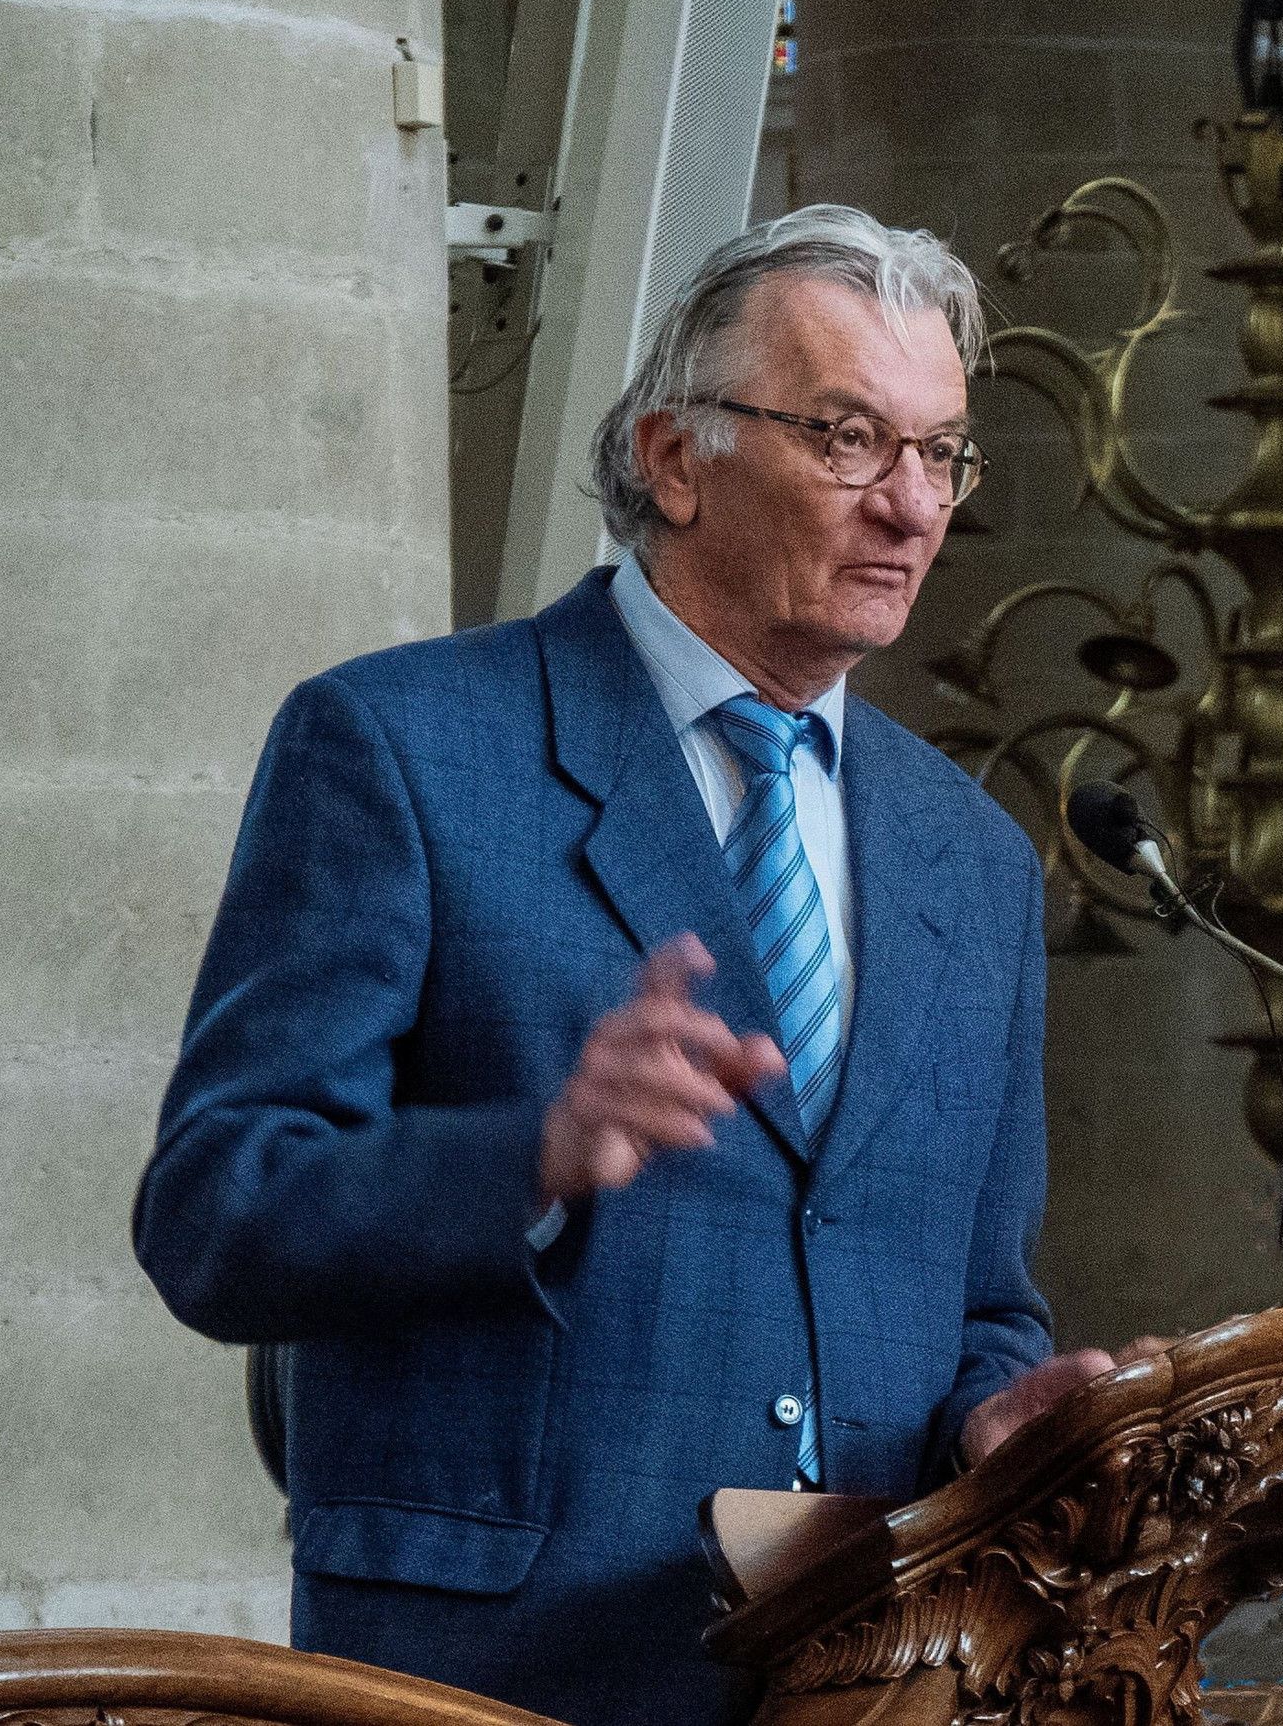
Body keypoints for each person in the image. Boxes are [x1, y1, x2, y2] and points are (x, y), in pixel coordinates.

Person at [133, 205, 1129, 1725]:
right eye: (851, 438)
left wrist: (1004, 1413)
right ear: (675, 458)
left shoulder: (972, 858)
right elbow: (215, 1213)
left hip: (882, 1684)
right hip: (497, 1676)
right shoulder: (406, 749)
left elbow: (981, 1295)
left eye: (942, 454)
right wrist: (530, 1153)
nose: (911, 505)